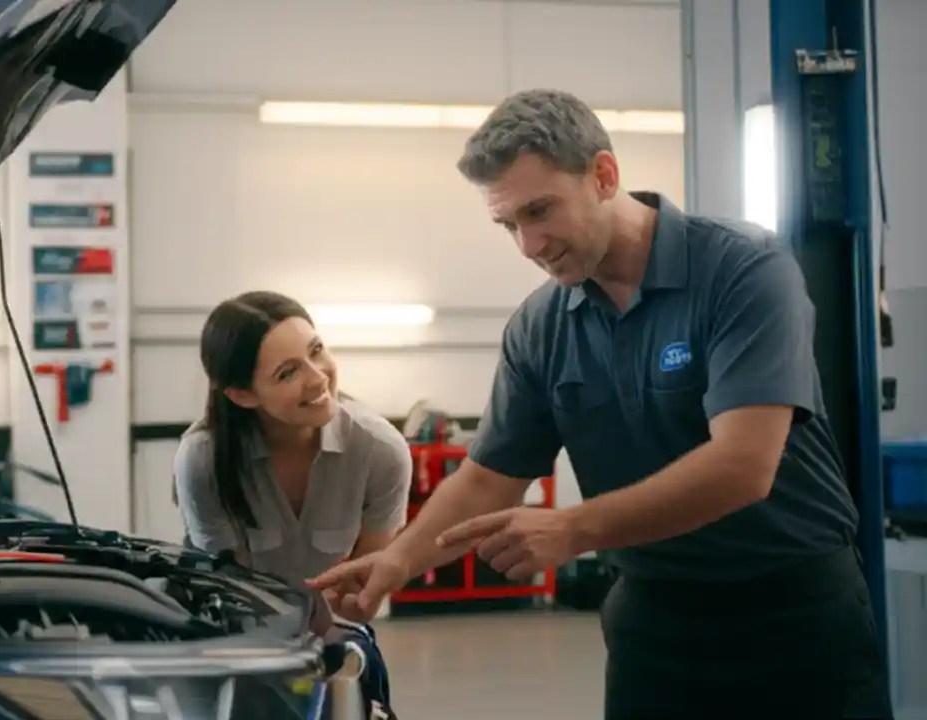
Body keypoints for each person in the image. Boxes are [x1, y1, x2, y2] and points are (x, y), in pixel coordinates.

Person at [307, 89, 892, 719]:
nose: (529, 245)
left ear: (604, 176)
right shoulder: (541, 327)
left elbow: (744, 465)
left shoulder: (742, 271)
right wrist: (395, 561)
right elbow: (487, 480)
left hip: (795, 615)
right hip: (655, 622)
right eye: (509, 225)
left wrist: (572, 528)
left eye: (540, 211)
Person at [173, 290, 413, 621]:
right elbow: (228, 587)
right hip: (235, 628)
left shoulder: (380, 450)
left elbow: (364, 580)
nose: (318, 378)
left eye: (316, 351)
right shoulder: (203, 460)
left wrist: (331, 628)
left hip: (334, 626)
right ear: (243, 395)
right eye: (288, 373)